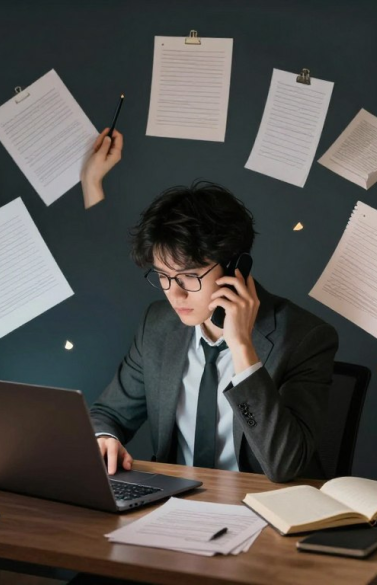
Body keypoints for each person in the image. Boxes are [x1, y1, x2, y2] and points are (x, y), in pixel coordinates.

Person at [80, 132, 337, 483]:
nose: (175, 295)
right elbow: (108, 413)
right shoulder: (158, 325)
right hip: (170, 504)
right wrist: (105, 438)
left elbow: (285, 465)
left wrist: (243, 349)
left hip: (263, 514)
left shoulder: (305, 338)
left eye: (189, 276)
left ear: (235, 268)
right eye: (163, 276)